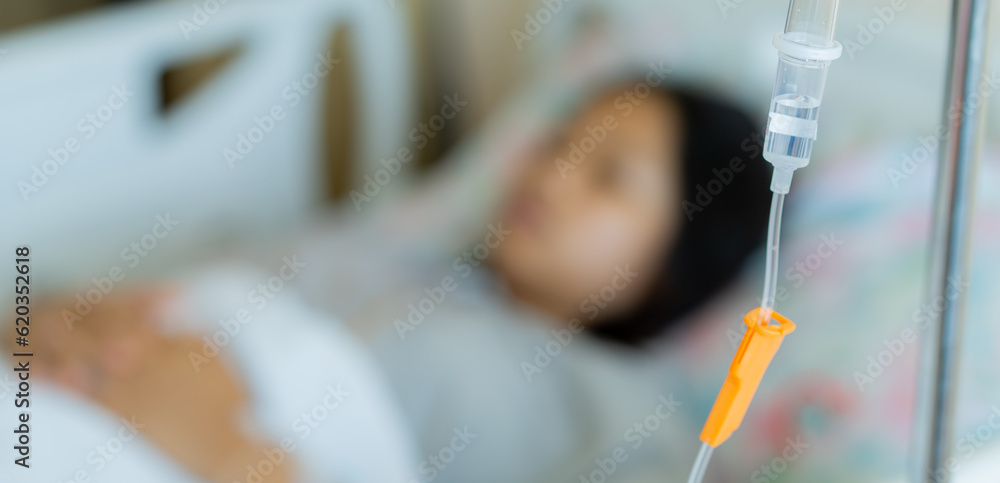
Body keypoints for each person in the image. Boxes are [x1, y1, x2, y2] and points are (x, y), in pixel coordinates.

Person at [23, 78, 771, 483]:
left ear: (679, 256)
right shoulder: (378, 251)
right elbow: (107, 296)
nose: (550, 172)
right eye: (557, 143)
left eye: (609, 175)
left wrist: (234, 457)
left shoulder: (622, 413)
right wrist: (53, 320)